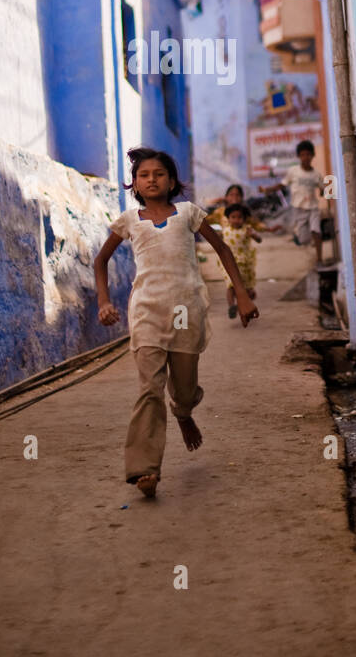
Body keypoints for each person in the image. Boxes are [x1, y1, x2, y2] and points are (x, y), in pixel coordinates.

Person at [94, 147, 259, 499]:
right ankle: (144, 468)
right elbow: (100, 262)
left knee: (183, 388)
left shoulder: (188, 213)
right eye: (144, 175)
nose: (151, 179)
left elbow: (223, 250)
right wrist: (104, 302)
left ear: (172, 181)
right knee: (149, 389)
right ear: (134, 184)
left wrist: (242, 294)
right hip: (147, 314)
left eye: (159, 174)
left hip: (187, 313)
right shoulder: (128, 221)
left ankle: (183, 413)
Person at [262, 139, 324, 264]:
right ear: (299, 156)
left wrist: (325, 192)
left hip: (313, 207)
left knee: (316, 230)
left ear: (312, 155)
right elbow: (282, 184)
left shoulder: (317, 175)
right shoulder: (293, 171)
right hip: (299, 208)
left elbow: (323, 189)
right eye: (303, 155)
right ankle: (298, 235)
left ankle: (319, 258)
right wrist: (268, 189)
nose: (306, 157)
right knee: (304, 239)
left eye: (308, 154)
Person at [220, 201, 262, 318]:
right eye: (233, 217)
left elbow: (259, 240)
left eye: (239, 217)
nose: (236, 220)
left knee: (245, 289)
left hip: (244, 263)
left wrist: (254, 235)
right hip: (229, 262)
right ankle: (231, 306)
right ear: (228, 218)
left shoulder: (247, 229)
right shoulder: (225, 230)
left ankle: (246, 304)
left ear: (244, 219)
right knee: (230, 285)